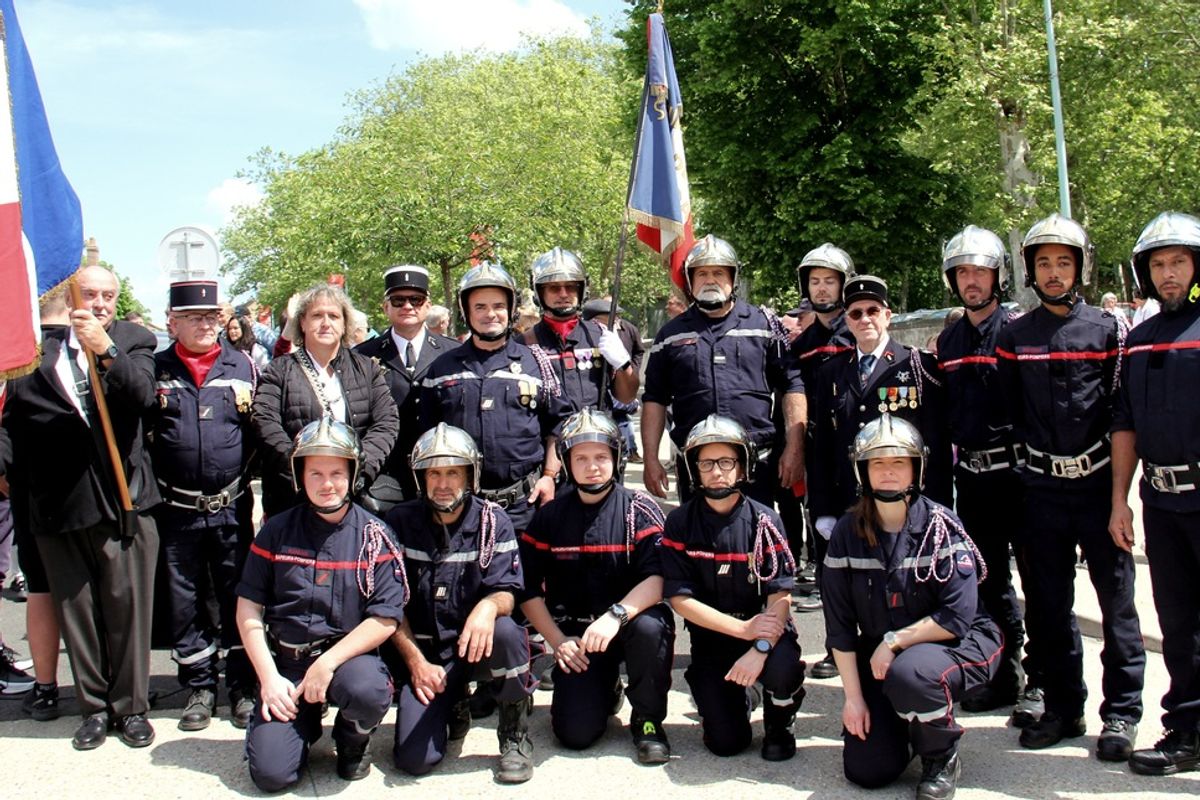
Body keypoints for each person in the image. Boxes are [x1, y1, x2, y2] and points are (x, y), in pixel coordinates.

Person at [996, 213, 1145, 759]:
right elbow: (1011, 412)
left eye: (1063, 262)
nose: (1053, 273)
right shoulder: (1015, 336)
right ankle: (1063, 707)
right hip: (1041, 491)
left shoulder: (1108, 331)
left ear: (1079, 267)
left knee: (1117, 606)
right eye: (1043, 264)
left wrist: (1119, 501)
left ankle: (1122, 714)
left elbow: (1121, 411)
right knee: (1048, 607)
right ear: (1030, 271)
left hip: (1097, 488)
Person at [0, 265, 161, 751]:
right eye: (89, 293)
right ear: (70, 296)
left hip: (124, 500)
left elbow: (143, 397)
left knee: (127, 612)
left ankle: (131, 708)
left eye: (108, 295)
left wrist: (104, 350)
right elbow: (14, 427)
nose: (99, 303)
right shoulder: (30, 353)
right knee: (80, 613)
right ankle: (93, 709)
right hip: (59, 506)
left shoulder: (134, 340)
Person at [823, 414, 1001, 799]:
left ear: (916, 469)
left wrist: (892, 641)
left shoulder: (941, 526)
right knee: (866, 770)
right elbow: (839, 627)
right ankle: (908, 729)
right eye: (878, 463)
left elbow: (956, 617)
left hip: (957, 643)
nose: (888, 472)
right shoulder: (845, 533)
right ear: (862, 470)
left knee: (912, 674)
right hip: (888, 655)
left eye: (898, 462)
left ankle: (941, 752)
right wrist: (853, 700)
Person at [236, 418, 406, 790]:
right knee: (271, 775)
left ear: (352, 473)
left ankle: (351, 740)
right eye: (315, 473)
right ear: (300, 475)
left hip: (345, 663)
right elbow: (248, 609)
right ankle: (303, 721)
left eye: (336, 473)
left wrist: (327, 664)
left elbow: (385, 619)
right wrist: (268, 679)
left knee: (369, 691)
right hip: (288, 668)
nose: (327, 484)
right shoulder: (275, 531)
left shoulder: (374, 536)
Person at [520, 408, 675, 764]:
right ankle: (606, 690)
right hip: (577, 637)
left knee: (652, 627)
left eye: (602, 457)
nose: (593, 466)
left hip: (628, 625)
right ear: (567, 462)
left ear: (616, 458)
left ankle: (648, 719)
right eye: (582, 458)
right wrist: (558, 642)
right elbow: (527, 590)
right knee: (574, 735)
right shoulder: (550, 517)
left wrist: (615, 616)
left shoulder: (640, 508)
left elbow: (658, 578)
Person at [386, 424, 538, 783]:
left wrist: (488, 607)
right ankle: (453, 705)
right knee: (414, 760)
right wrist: (416, 663)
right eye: (434, 472)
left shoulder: (493, 520)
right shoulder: (398, 523)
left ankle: (515, 733)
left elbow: (507, 589)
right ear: (420, 476)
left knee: (507, 632)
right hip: (427, 658)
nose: (442, 483)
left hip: (476, 648)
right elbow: (388, 606)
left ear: (471, 475)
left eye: (453, 472)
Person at [936, 226, 1040, 725]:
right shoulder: (950, 340)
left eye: (979, 270)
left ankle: (1044, 682)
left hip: (1021, 474)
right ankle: (1002, 674)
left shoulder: (1019, 330)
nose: (971, 280)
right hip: (974, 479)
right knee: (989, 581)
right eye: (962, 272)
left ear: (997, 274)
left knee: (1041, 582)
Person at [659, 415, 806, 759]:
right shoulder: (680, 522)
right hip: (714, 637)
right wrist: (740, 630)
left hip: (765, 631)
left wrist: (761, 647)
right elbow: (680, 599)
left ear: (743, 467)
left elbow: (780, 595)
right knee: (726, 744)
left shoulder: (766, 519)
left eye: (727, 461)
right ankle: (744, 696)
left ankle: (780, 719)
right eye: (706, 462)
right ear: (693, 468)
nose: (717, 471)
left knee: (783, 668)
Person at [1110, 211, 1200, 775]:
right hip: (1161, 500)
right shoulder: (1138, 340)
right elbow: (1126, 425)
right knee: (1177, 620)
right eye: (1160, 264)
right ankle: (1186, 728)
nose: (1169, 273)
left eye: (1180, 262)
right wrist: (1120, 499)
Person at [148, 280, 258, 732]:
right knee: (184, 599)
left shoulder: (243, 366)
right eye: (194, 317)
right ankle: (198, 684)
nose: (205, 325)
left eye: (212, 317)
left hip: (230, 506)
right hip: (177, 508)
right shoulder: (155, 369)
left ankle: (240, 684)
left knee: (237, 594)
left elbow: (255, 432)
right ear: (172, 322)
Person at [642, 235, 806, 506]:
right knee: (697, 545)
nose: (710, 279)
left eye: (719, 272)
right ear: (689, 280)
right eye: (702, 273)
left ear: (733, 278)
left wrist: (794, 447)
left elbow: (792, 386)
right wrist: (650, 459)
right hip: (697, 465)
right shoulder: (669, 335)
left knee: (757, 541)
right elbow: (655, 399)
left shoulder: (764, 326)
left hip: (756, 463)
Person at [419, 262, 570, 536]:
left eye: (499, 306)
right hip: (459, 508)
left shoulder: (536, 364)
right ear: (466, 312)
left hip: (525, 507)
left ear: (511, 309)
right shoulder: (441, 369)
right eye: (480, 307)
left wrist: (549, 477)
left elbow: (559, 427)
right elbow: (427, 437)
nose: (491, 314)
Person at [808, 275, 952, 544]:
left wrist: (938, 506)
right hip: (850, 506)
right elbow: (822, 448)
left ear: (887, 316)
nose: (865, 319)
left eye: (873, 311)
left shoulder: (918, 366)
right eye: (856, 313)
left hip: (906, 505)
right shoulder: (832, 372)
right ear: (848, 320)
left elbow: (936, 444)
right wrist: (822, 509)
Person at [252, 284, 399, 516]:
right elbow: (265, 422)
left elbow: (387, 421)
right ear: (302, 322)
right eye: (317, 315)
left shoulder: (367, 368)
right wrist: (302, 472)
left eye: (333, 316)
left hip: (354, 498)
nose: (325, 323)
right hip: (292, 500)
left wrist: (358, 471)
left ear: (344, 324)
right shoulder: (279, 370)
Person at [784, 244, 856, 643]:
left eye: (830, 280)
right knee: (829, 555)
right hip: (822, 463)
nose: (823, 289)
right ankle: (838, 643)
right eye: (815, 281)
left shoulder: (860, 331)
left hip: (862, 462)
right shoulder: (803, 344)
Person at [7, 287, 69, 719]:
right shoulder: (17, 357)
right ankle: (50, 685)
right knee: (46, 592)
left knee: (46, 593)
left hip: (69, 495)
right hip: (36, 496)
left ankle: (51, 687)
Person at [354, 265, 458, 502]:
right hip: (386, 475)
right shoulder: (362, 356)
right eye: (398, 300)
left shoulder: (453, 352)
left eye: (416, 300)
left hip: (442, 471)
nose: (408, 306)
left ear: (428, 306)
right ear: (385, 307)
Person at [522, 247, 637, 413]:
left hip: (596, 434)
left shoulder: (601, 336)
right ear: (539, 292)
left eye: (571, 287)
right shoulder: (524, 344)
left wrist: (623, 364)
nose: (563, 294)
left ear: (582, 289)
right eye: (554, 288)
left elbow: (627, 397)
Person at [582, 298, 646, 462]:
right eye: (611, 318)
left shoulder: (624, 332)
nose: (617, 321)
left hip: (610, 411)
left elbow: (628, 393)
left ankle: (629, 451)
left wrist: (628, 367)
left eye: (617, 316)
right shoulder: (582, 341)